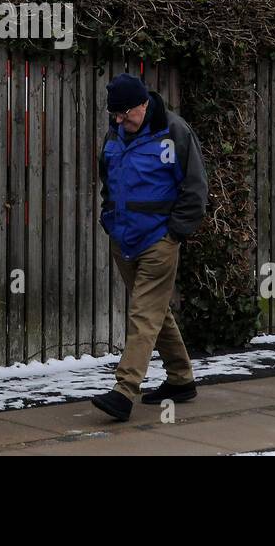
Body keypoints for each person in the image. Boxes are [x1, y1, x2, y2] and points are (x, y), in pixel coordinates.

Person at [91, 72, 208, 422]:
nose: (118, 120)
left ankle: (124, 392)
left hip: (159, 239)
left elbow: (195, 187)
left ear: (143, 104)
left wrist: (175, 233)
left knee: (143, 314)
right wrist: (109, 218)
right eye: (114, 114)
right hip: (123, 239)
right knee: (156, 311)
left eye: (125, 113)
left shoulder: (174, 131)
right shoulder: (115, 135)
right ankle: (181, 379)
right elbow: (108, 182)